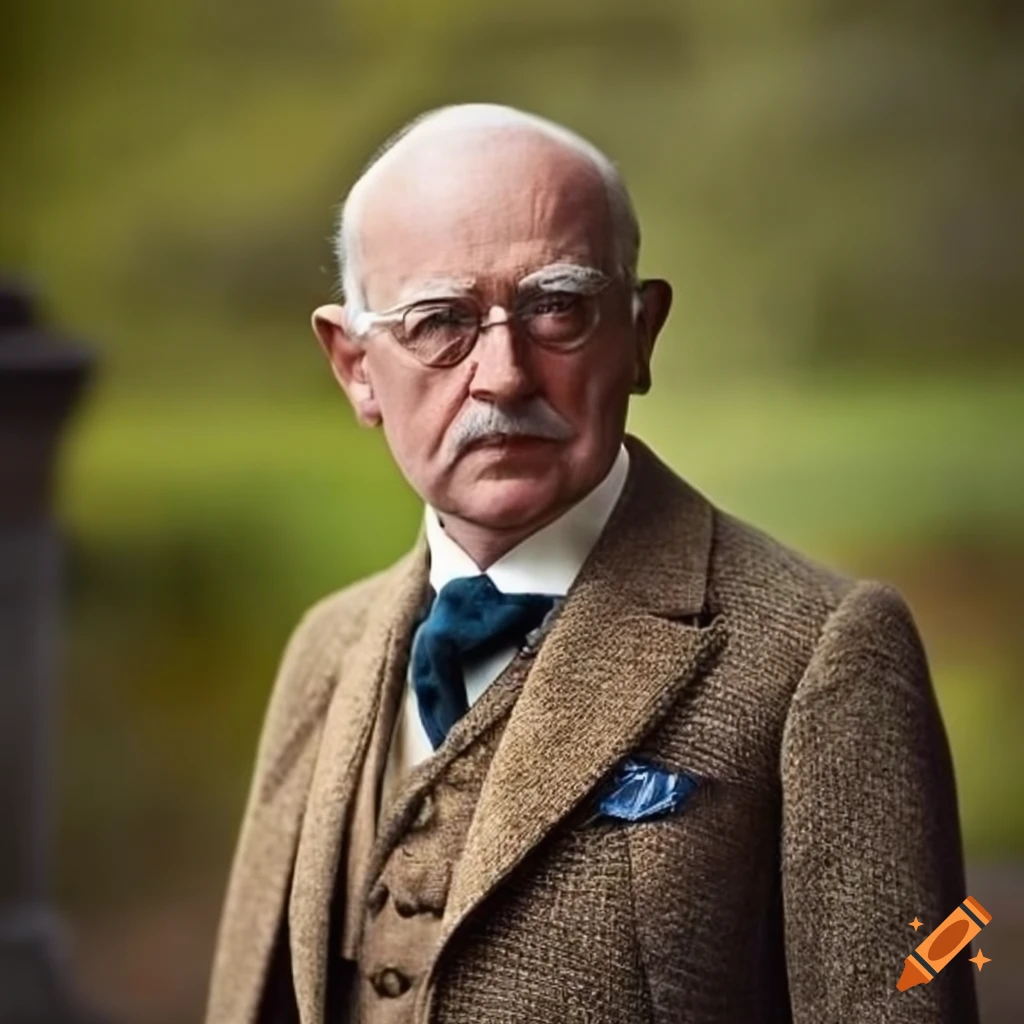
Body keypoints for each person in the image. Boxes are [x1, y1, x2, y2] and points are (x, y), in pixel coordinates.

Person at [205, 104, 977, 1024]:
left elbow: (909, 992)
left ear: (641, 334)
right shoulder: (324, 650)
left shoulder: (824, 652)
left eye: (558, 307)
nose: (501, 375)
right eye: (439, 321)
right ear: (356, 367)